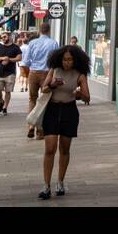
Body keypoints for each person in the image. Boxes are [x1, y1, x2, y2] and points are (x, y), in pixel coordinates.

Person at [37, 44, 91, 200]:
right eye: (65, 59)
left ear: (76, 60)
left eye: (70, 60)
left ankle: (60, 181)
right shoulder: (54, 70)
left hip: (69, 111)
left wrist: (79, 93)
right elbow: (44, 89)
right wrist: (52, 85)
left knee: (65, 149)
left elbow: (88, 97)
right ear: (60, 59)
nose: (67, 62)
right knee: (50, 148)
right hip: (52, 111)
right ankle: (46, 186)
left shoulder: (80, 75)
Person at [23, 22, 60, 139]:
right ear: (49, 31)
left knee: (32, 100)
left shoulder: (32, 43)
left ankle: (30, 126)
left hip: (33, 72)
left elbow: (26, 61)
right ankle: (40, 131)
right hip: (47, 74)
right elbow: (56, 61)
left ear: (40, 31)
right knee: (44, 102)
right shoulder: (53, 43)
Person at [0, 32, 21, 113]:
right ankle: (1, 101)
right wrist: (3, 58)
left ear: (10, 37)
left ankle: (5, 107)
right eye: (2, 37)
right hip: (0, 72)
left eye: (5, 37)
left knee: (8, 91)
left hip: (10, 72)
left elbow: (19, 58)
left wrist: (9, 59)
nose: (3, 38)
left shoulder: (15, 47)